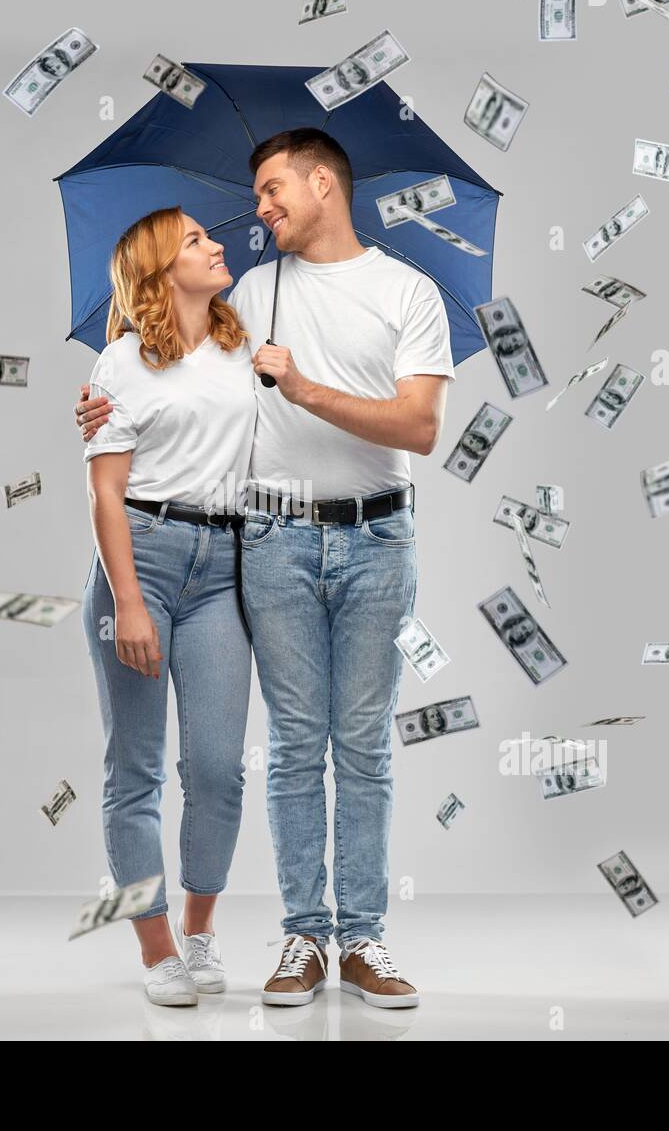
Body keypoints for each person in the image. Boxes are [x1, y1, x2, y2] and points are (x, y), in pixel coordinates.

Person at [77, 129, 453, 1009]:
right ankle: (293, 938)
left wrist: (303, 383)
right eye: (250, 196)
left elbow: (420, 430)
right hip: (266, 541)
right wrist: (99, 403)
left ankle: (360, 939)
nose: (255, 210)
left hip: (371, 539)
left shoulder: (406, 291)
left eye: (274, 188)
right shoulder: (254, 290)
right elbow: (152, 391)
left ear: (325, 182)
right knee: (282, 750)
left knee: (348, 749)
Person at [81, 206, 255, 1007]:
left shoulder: (242, 345)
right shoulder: (118, 365)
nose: (216, 245)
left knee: (217, 769)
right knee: (136, 770)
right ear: (157, 270)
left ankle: (202, 933)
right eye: (196, 241)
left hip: (224, 566)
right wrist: (128, 603)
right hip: (140, 560)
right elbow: (106, 496)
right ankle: (156, 950)